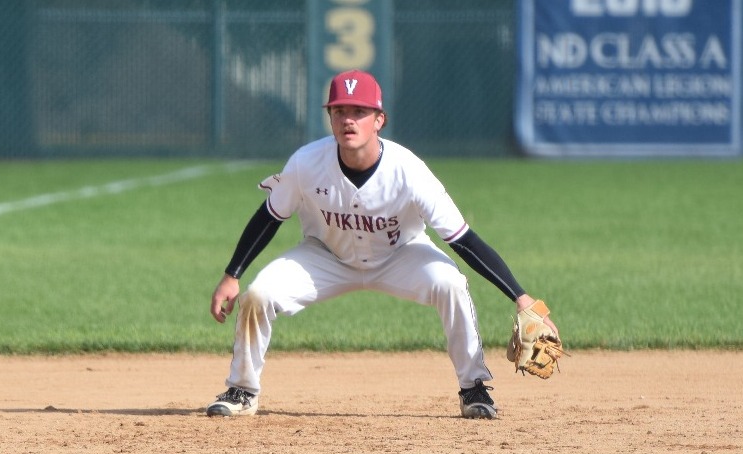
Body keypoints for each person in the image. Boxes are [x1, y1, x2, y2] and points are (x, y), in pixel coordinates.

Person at [206, 70, 557, 419]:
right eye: (340, 111)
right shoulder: (306, 163)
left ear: (379, 120)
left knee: (450, 283)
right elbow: (269, 217)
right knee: (259, 294)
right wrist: (232, 274)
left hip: (401, 256)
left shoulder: (409, 171)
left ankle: (473, 387)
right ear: (330, 117)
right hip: (325, 257)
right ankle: (242, 390)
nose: (348, 120)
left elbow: (463, 239)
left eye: (359, 111)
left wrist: (521, 298)